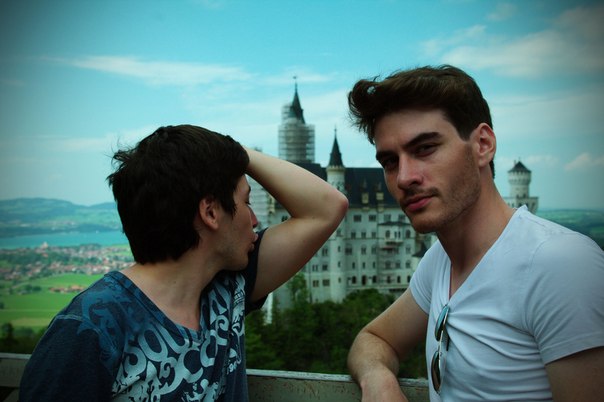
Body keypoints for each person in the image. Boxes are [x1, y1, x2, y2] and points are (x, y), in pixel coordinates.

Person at [20, 124, 348, 401]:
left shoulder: (228, 288)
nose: (255, 219)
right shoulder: (88, 328)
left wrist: (232, 152)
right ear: (210, 212)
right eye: (246, 201)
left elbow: (328, 208)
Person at [346, 65, 604, 401]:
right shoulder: (439, 261)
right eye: (390, 162)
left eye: (425, 148)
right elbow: (374, 340)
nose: (404, 177)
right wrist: (378, 380)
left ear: (483, 144)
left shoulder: (560, 264)